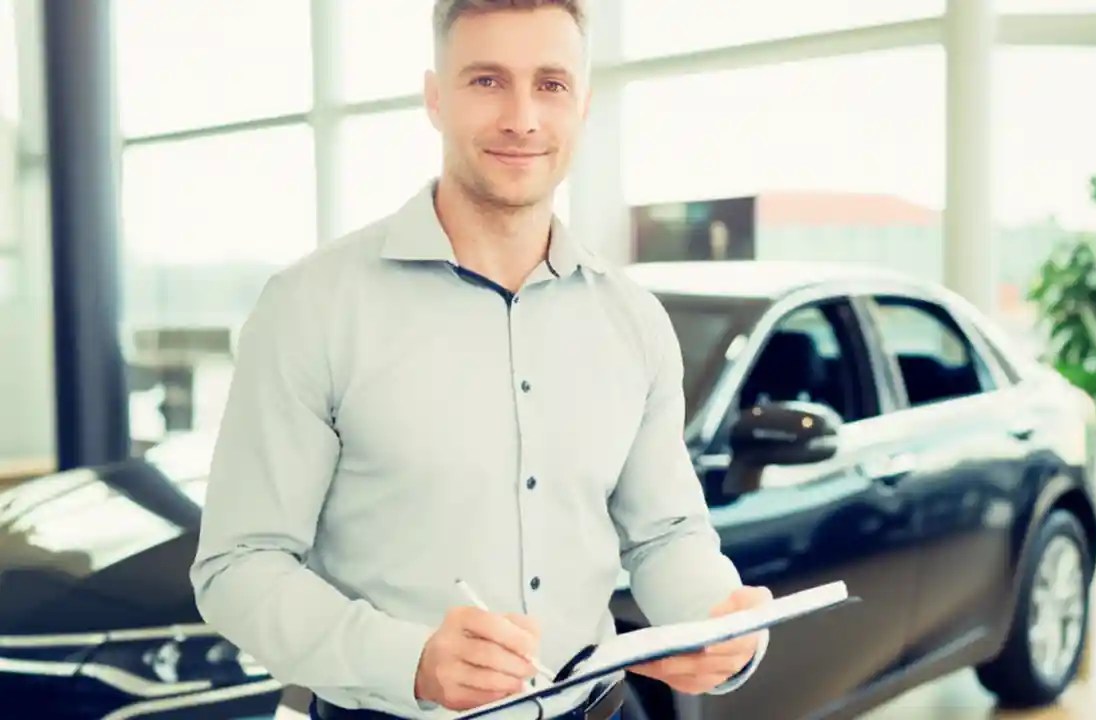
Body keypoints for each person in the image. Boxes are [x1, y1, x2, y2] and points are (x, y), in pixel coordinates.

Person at [189, 1, 772, 718]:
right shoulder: (310, 307)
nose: (522, 117)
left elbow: (666, 533)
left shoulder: (632, 321)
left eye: (551, 85)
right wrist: (408, 661)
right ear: (436, 98)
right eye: (487, 81)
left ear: (582, 104)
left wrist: (717, 621)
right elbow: (238, 566)